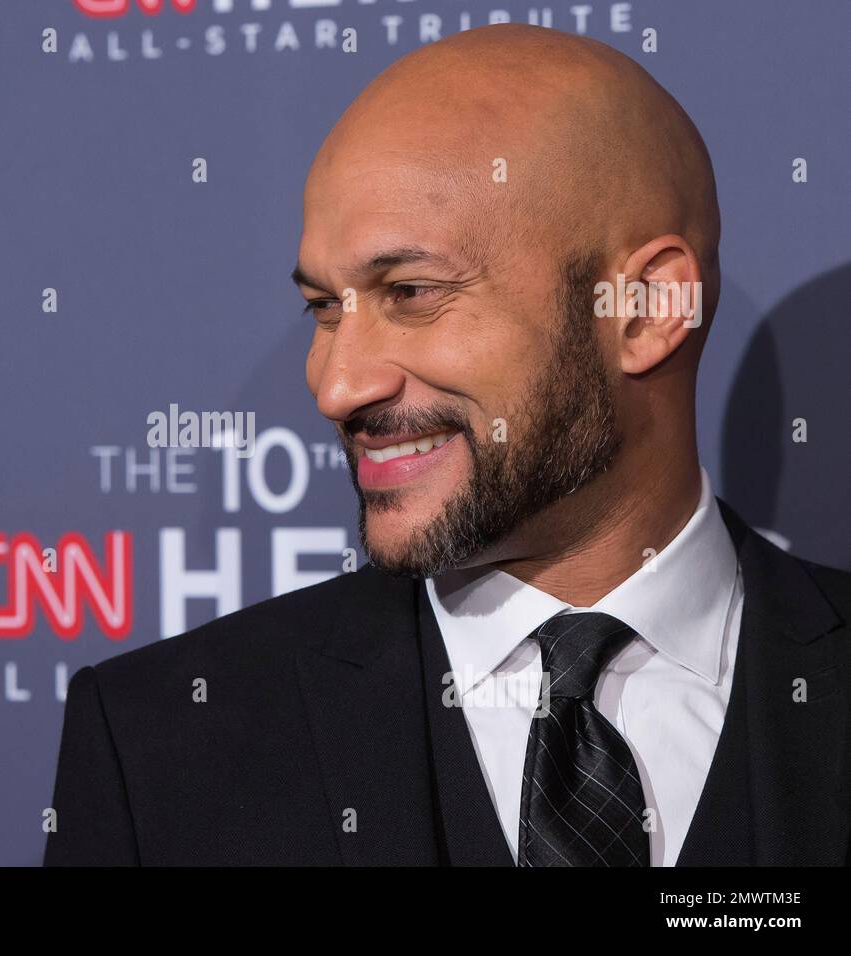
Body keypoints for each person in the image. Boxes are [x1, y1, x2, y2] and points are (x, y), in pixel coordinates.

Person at [43, 23, 851, 866]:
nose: (335, 384)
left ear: (645, 311)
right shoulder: (164, 745)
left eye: (413, 292)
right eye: (324, 306)